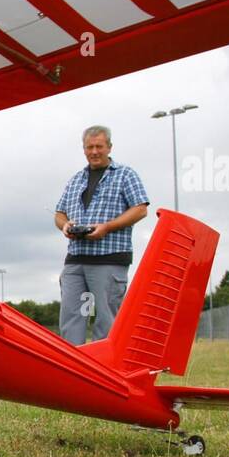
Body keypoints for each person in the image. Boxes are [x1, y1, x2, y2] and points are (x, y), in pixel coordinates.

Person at [54, 125, 149, 345]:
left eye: (99, 146)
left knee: (106, 321)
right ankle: (74, 368)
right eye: (90, 147)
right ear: (84, 149)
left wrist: (107, 227)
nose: (94, 151)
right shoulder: (76, 179)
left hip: (109, 258)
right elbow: (59, 213)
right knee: (72, 318)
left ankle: (105, 371)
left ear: (109, 147)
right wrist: (65, 225)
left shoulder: (126, 174)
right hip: (76, 260)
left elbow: (140, 209)